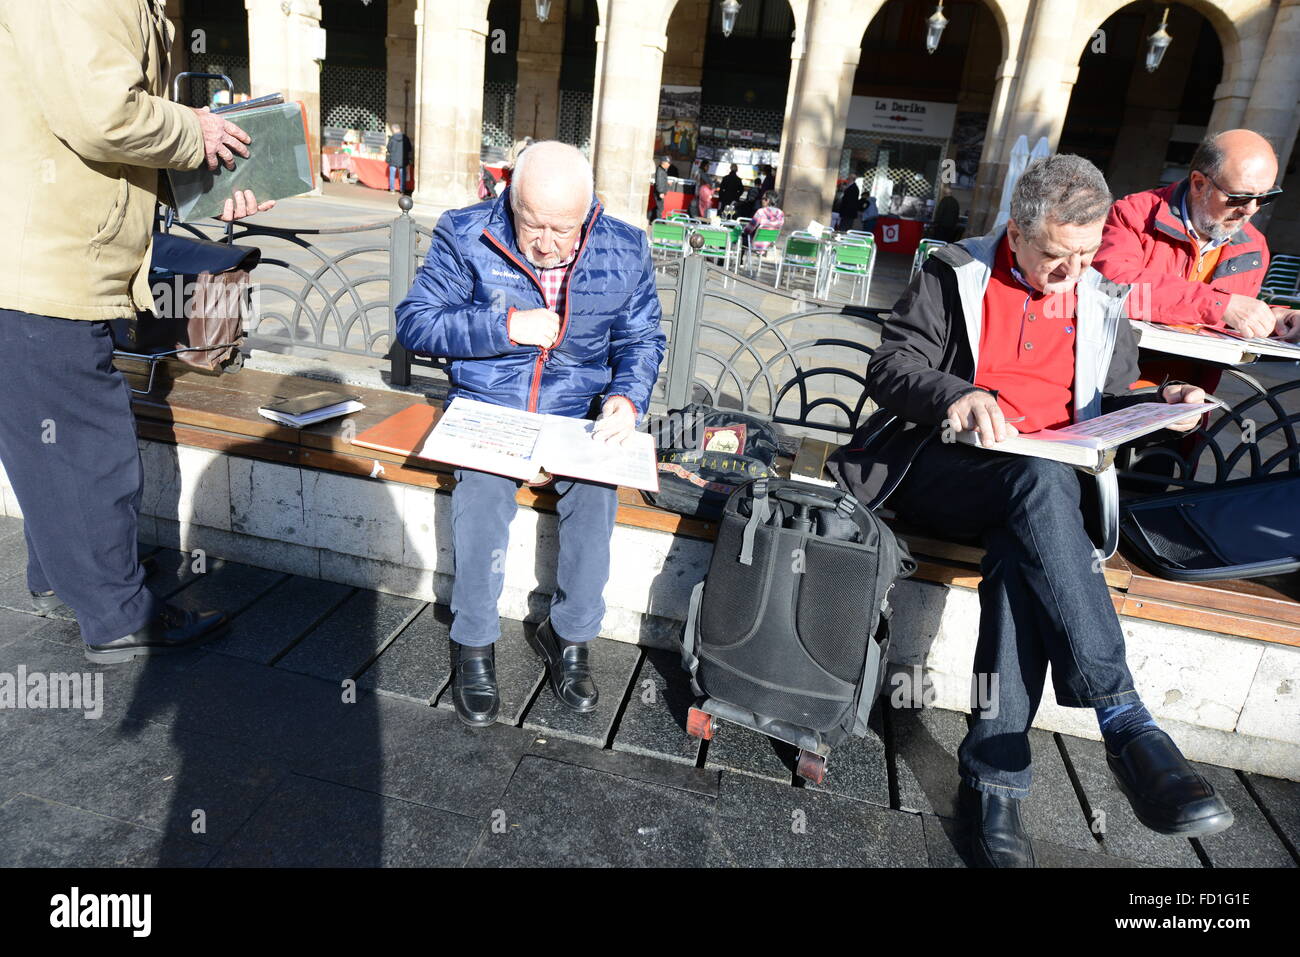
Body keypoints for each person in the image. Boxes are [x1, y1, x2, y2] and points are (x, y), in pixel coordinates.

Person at [831, 154, 1234, 867]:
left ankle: (996, 781)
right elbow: (890, 368)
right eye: (1055, 255)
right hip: (944, 468)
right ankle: (1124, 719)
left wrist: (1159, 401)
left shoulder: (1100, 295)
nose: (1070, 274)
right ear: (1015, 233)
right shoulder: (953, 272)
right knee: (1039, 490)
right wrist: (956, 394)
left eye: (1084, 255)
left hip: (1037, 496)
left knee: (1026, 549)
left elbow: (1114, 393)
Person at [0, 0, 274, 663]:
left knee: (53, 445)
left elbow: (92, 127)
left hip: (51, 259)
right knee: (91, 446)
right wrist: (196, 132)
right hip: (44, 265)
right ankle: (119, 616)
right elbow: (103, 115)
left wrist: (204, 176)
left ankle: (69, 580)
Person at [395, 141, 666, 728]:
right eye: (532, 224)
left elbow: (642, 341)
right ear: (510, 199)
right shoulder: (465, 233)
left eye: (563, 229)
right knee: (482, 500)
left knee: (596, 502)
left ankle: (569, 635)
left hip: (576, 413)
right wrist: (506, 326)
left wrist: (626, 398)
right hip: (490, 408)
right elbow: (416, 322)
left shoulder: (624, 246)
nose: (546, 242)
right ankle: (473, 642)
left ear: (589, 211)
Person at [1093, 130, 1300, 385]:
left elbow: (1229, 318)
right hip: (1114, 389)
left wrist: (1272, 319)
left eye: (1265, 197)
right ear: (1199, 183)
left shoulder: (1254, 246)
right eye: (1239, 197)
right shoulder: (1133, 215)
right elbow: (1110, 289)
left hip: (1192, 401)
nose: (1250, 210)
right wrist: (1220, 305)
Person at [743, 190, 784, 265]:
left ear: (767, 200)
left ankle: (740, 263)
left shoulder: (761, 212)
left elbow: (749, 229)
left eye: (763, 199)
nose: (761, 201)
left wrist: (743, 230)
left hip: (757, 244)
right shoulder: (780, 213)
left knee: (741, 238)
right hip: (770, 244)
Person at [385, 123, 413, 193]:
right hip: (403, 160)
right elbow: (409, 148)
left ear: (394, 129)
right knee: (403, 176)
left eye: (392, 130)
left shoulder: (392, 138)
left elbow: (389, 148)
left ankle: (392, 189)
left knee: (392, 175)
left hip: (393, 159)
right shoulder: (405, 138)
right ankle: (402, 190)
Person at [652, 154, 671, 223]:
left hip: (660, 191)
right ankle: (658, 222)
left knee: (659, 206)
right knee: (660, 208)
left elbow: (662, 181)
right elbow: (659, 182)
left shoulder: (662, 170)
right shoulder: (660, 170)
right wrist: (660, 192)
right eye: (668, 163)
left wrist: (667, 183)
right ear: (664, 163)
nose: (669, 165)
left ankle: (654, 219)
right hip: (659, 192)